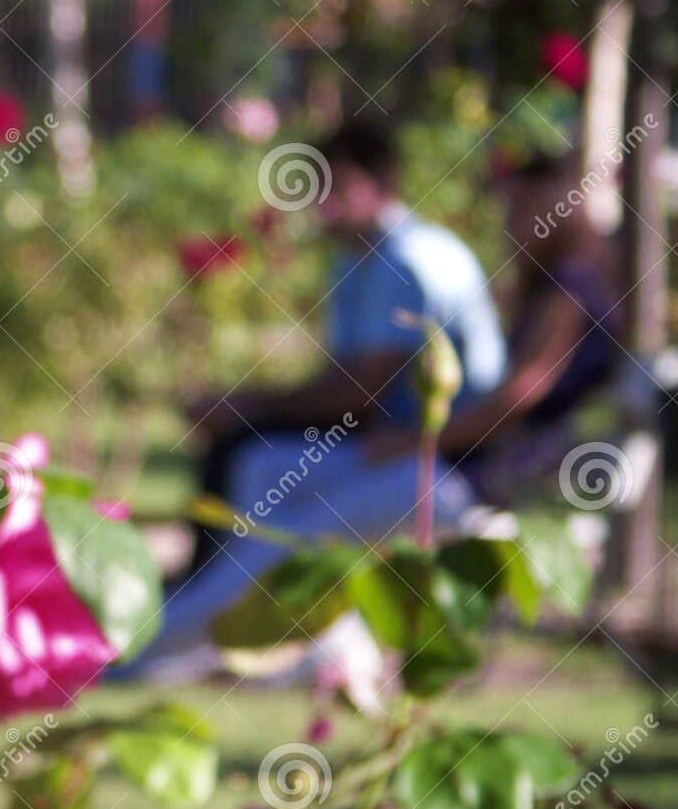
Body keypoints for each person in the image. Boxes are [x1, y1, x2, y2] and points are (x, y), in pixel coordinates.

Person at [125, 120, 507, 678]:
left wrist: (247, 405)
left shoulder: (410, 258)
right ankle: (241, 634)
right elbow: (341, 382)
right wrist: (248, 406)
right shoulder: (357, 258)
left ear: (380, 184)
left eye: (335, 188)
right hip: (385, 447)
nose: (320, 204)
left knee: (276, 530)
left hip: (438, 463)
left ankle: (165, 646)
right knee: (252, 464)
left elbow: (359, 391)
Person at [370, 149, 620, 502]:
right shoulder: (560, 280)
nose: (511, 223)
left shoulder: (568, 287)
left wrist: (419, 443)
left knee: (361, 495)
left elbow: (520, 392)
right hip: (525, 456)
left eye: (522, 207)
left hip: (531, 467)